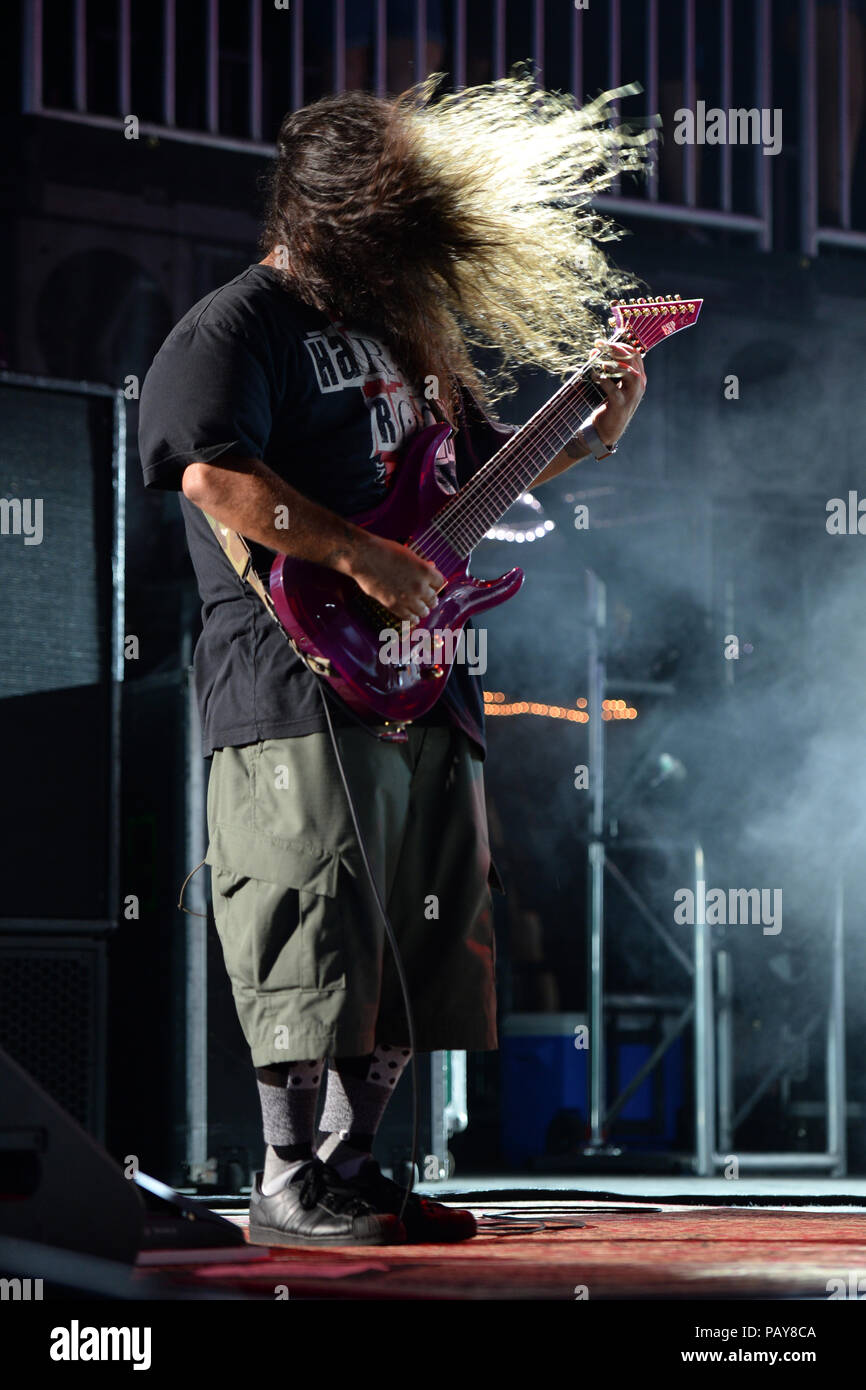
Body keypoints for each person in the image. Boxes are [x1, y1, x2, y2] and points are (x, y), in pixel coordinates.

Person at [138, 74, 649, 1246]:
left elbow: (472, 496)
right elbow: (211, 475)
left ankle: (352, 1164)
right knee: (308, 919)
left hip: (428, 679)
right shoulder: (233, 328)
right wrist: (358, 558)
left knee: (421, 939)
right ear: (324, 216)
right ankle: (280, 1177)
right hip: (293, 681)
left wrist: (595, 428)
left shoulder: (406, 334)